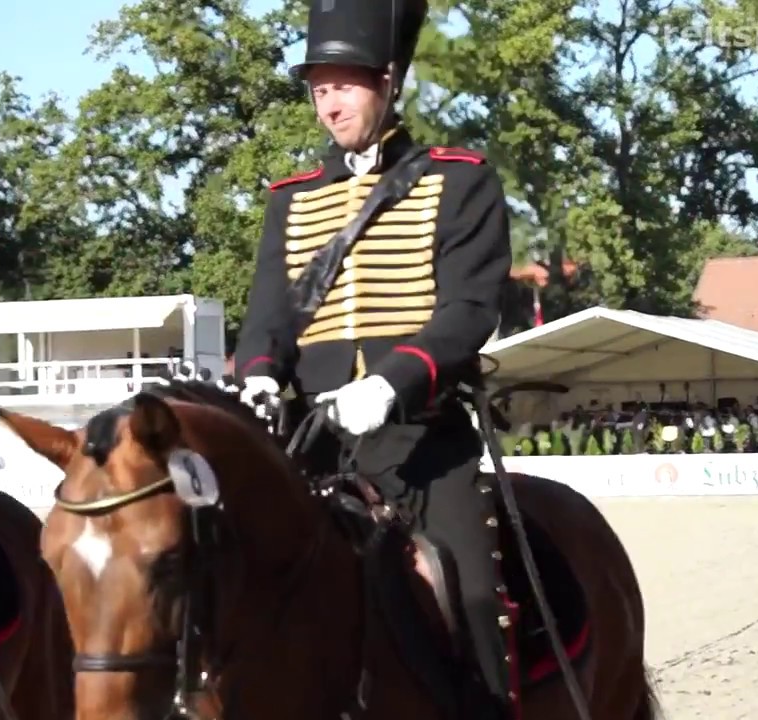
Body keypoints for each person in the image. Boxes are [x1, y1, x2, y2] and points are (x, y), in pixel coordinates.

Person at [233, 0, 514, 715]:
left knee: (472, 593)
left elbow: (468, 311)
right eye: (318, 88)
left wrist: (392, 384)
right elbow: (268, 312)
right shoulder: (291, 200)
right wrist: (259, 373)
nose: (329, 105)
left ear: (388, 82)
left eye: (344, 85)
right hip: (312, 446)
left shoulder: (458, 179)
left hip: (421, 440)